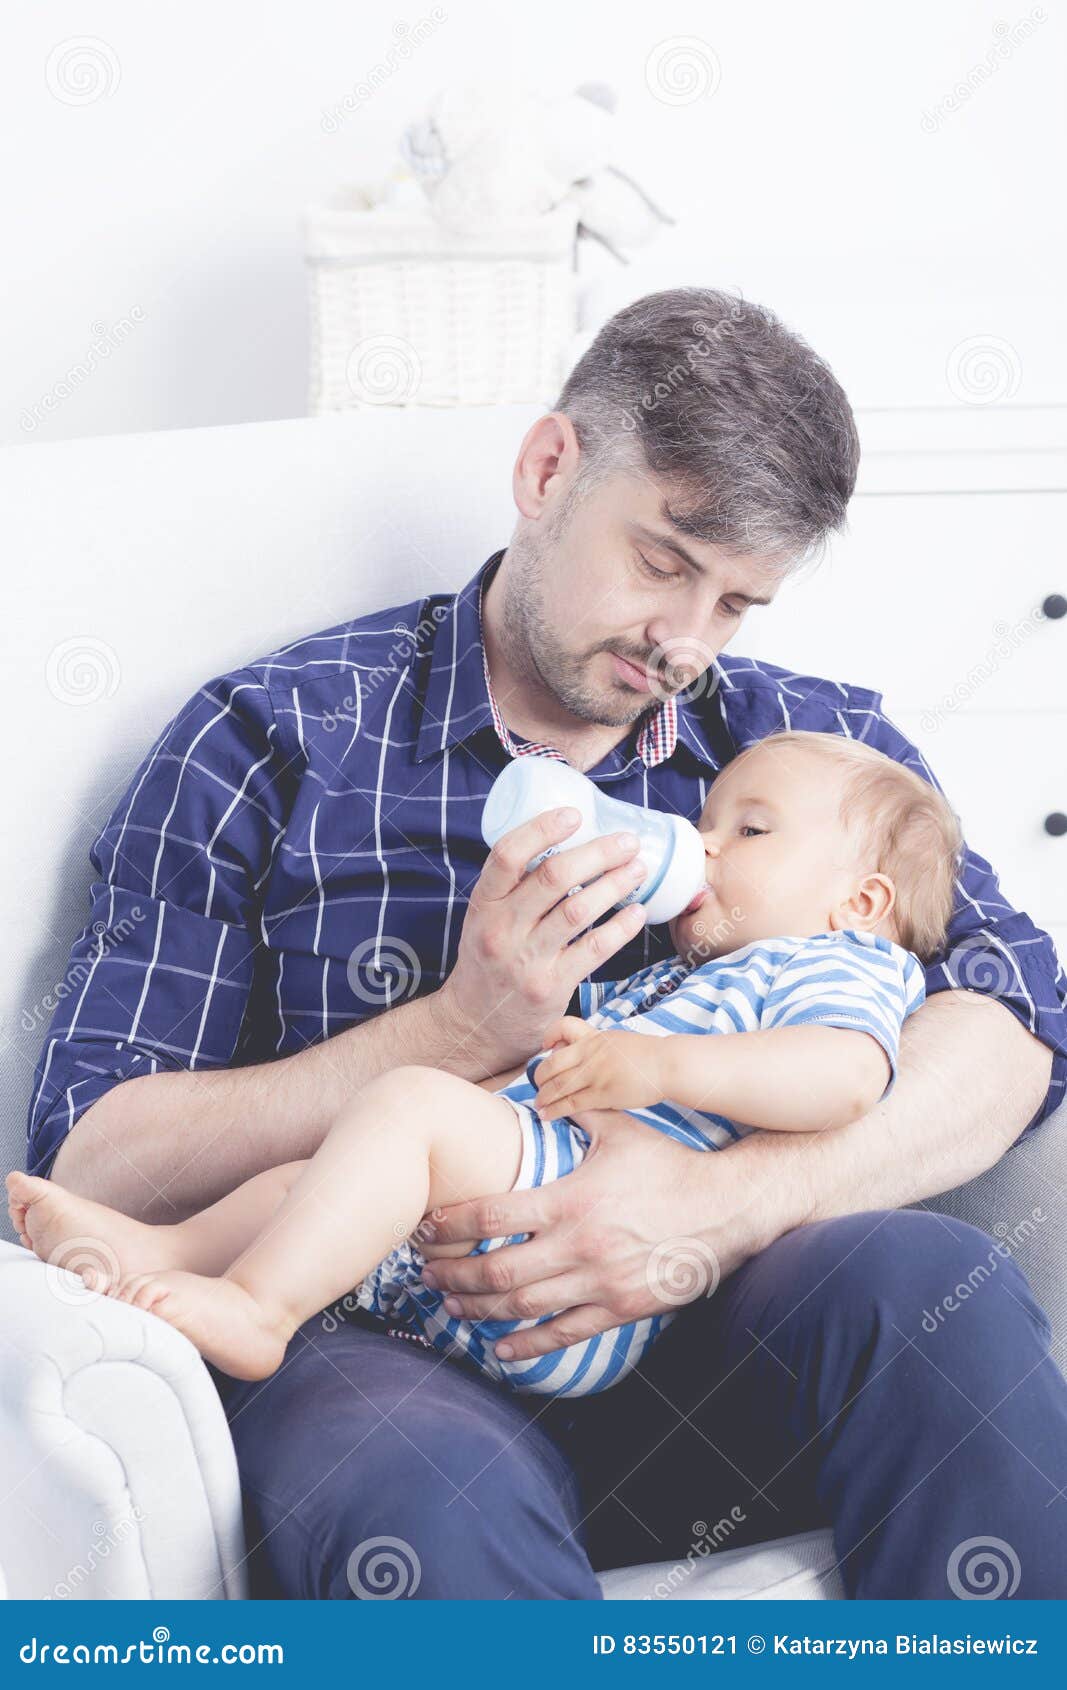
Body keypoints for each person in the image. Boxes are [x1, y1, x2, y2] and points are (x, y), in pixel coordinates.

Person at [24, 289, 1067, 1598]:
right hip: (385, 1335)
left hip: (722, 1319)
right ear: (545, 471)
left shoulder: (802, 758)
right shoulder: (270, 743)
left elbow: (1014, 1016)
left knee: (930, 1284)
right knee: (417, 1491)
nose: (683, 643)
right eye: (662, 562)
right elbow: (96, 1159)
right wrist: (459, 1027)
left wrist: (713, 1209)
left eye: (734, 602)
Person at [11, 730, 951, 1395]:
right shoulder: (680, 978)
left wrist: (662, 1070)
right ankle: (164, 1252)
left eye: (750, 831)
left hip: (587, 1272)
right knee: (329, 1169)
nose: (702, 843)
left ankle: (258, 1310)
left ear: (861, 902)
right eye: (707, 819)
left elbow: (843, 1079)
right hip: (506, 1222)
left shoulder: (838, 965)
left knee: (408, 1108)